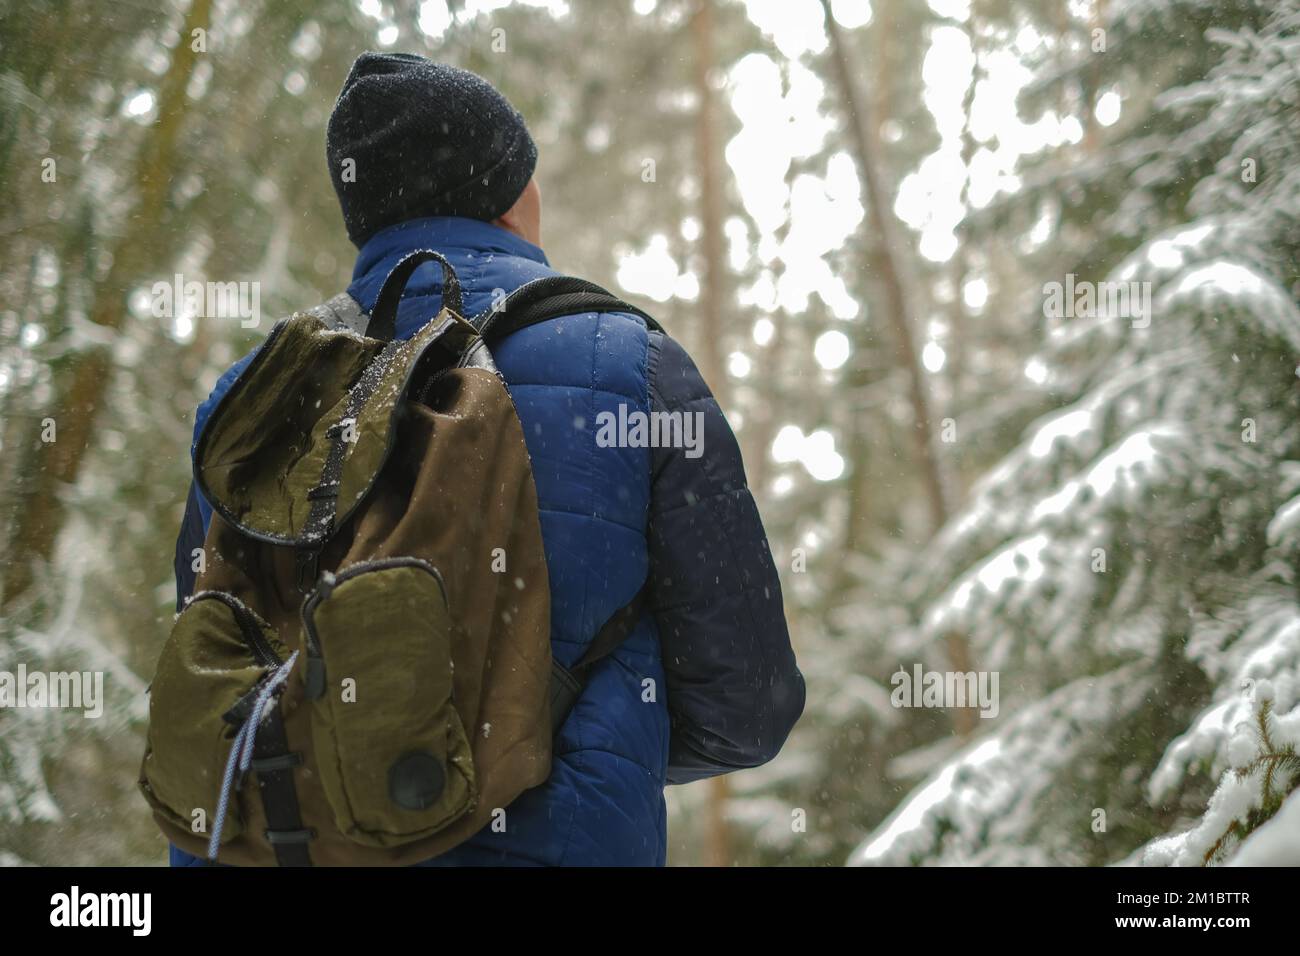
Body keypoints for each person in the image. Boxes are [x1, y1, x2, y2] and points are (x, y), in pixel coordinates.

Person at [170, 51, 804, 866]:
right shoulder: (634, 367)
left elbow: (212, 657)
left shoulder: (253, 398)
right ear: (509, 200)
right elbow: (749, 704)